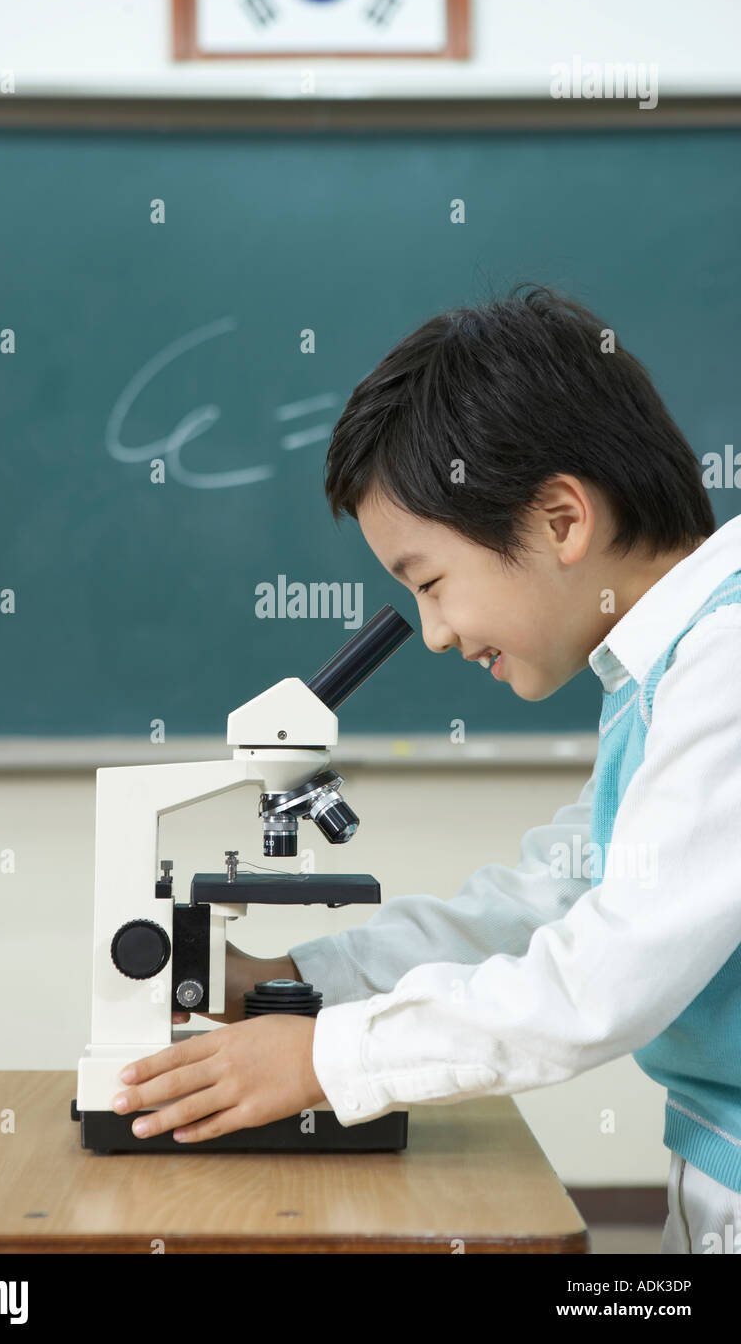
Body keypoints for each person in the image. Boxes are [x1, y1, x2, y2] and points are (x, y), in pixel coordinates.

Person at [118, 286, 741, 1255]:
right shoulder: (662, 672)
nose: (439, 633)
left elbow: (598, 980)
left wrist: (326, 1057)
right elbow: (545, 899)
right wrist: (295, 981)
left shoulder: (726, 665)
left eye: (430, 581)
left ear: (561, 519)